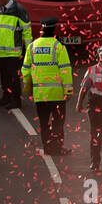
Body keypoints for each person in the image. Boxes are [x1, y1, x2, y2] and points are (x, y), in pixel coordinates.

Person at [24, 18, 73, 155]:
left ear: (42, 29)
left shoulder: (32, 47)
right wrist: (68, 91)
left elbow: (26, 70)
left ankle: (47, 148)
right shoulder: (59, 46)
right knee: (58, 123)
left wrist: (28, 89)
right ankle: (58, 148)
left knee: (44, 124)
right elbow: (65, 70)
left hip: (40, 95)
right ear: (53, 30)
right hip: (57, 94)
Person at [0, 0, 30, 108]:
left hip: (13, 52)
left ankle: (16, 101)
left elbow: (27, 31)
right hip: (1, 51)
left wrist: (29, 50)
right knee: (4, 77)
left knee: (13, 78)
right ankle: (6, 97)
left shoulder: (19, 10)